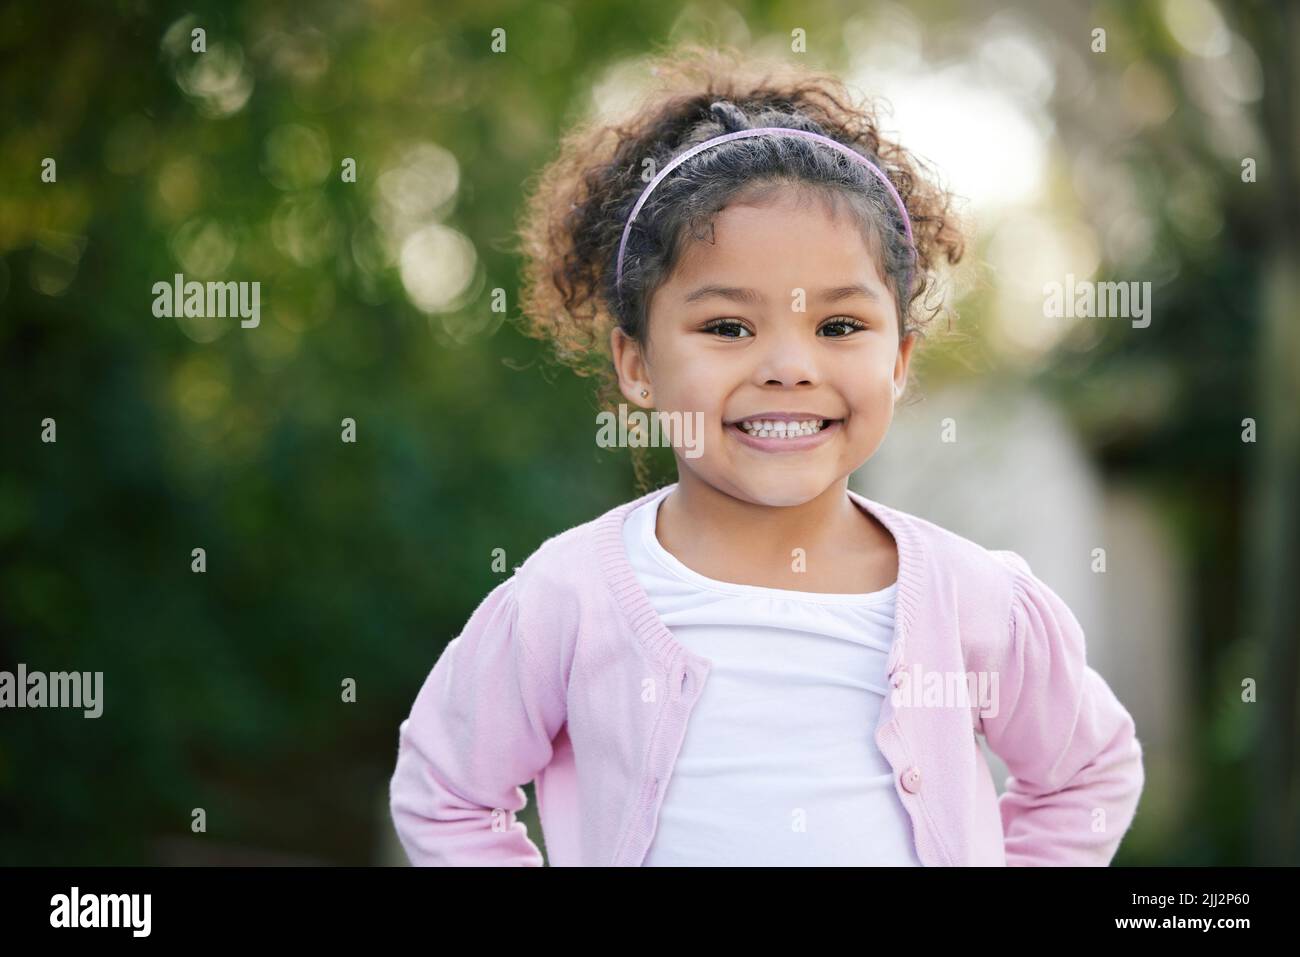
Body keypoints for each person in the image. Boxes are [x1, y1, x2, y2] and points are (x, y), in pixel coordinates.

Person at [389, 45, 1144, 866]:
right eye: (727, 327)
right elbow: (447, 792)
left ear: (898, 361)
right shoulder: (567, 601)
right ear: (637, 364)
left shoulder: (974, 601)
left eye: (839, 326)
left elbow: (1087, 772)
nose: (789, 365)